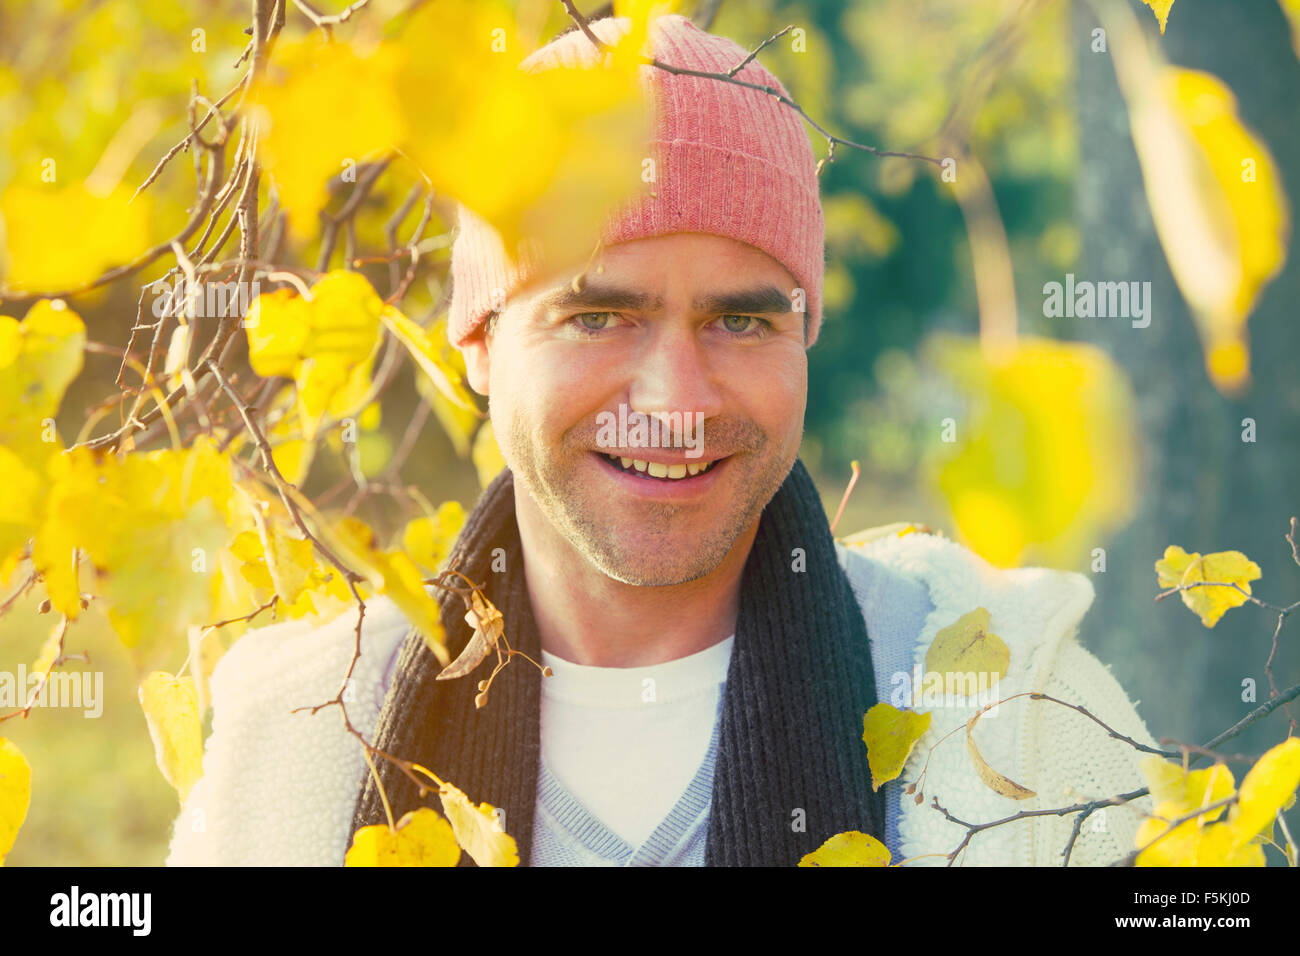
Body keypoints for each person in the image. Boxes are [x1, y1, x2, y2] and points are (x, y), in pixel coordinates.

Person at [167, 12, 1157, 867]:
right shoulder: (304, 738)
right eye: (598, 317)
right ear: (474, 339)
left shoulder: (1011, 715)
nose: (677, 396)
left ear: (803, 336)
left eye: (740, 321)